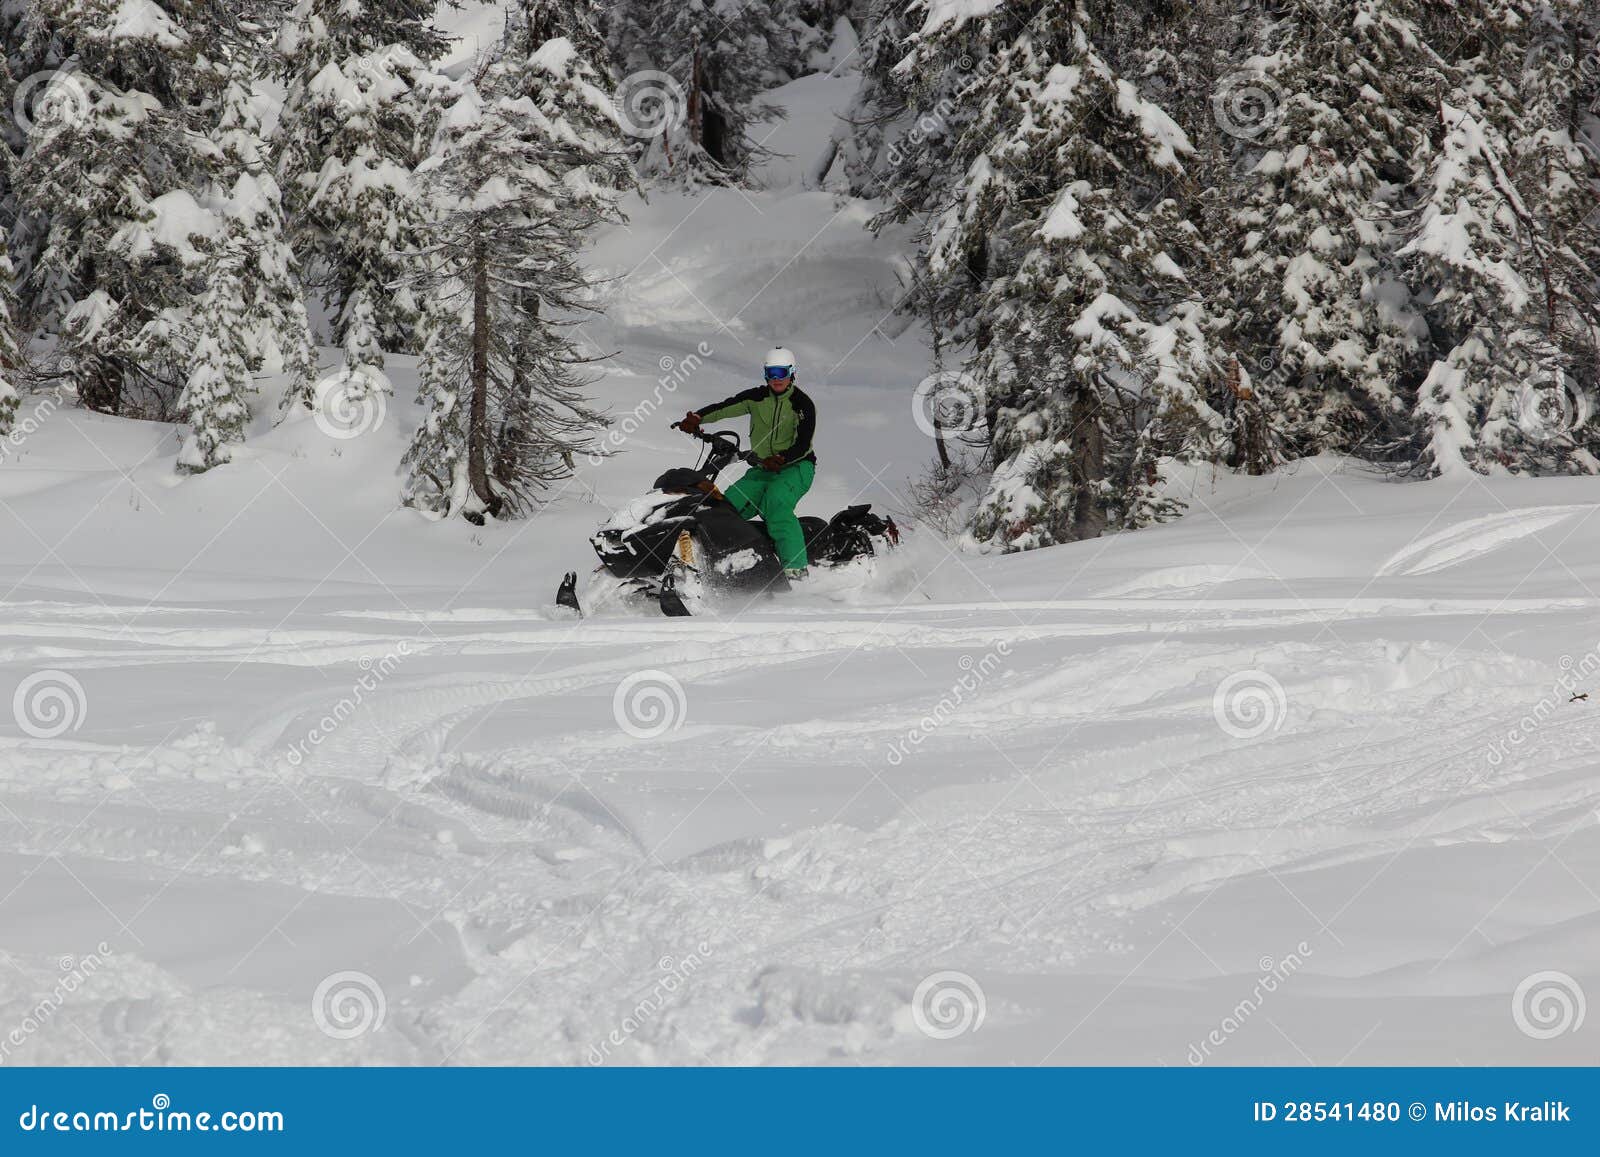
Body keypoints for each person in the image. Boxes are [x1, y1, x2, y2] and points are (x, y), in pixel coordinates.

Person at [678, 347, 816, 578]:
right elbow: (726, 406)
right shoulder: (757, 397)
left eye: (781, 373)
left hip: (796, 467)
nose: (776, 379)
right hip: (763, 468)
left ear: (792, 373)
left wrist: (783, 458)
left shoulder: (802, 404)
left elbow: (803, 443)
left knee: (776, 504)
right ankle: (724, 566)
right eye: (771, 373)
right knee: (725, 508)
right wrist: (698, 417)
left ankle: (796, 570)